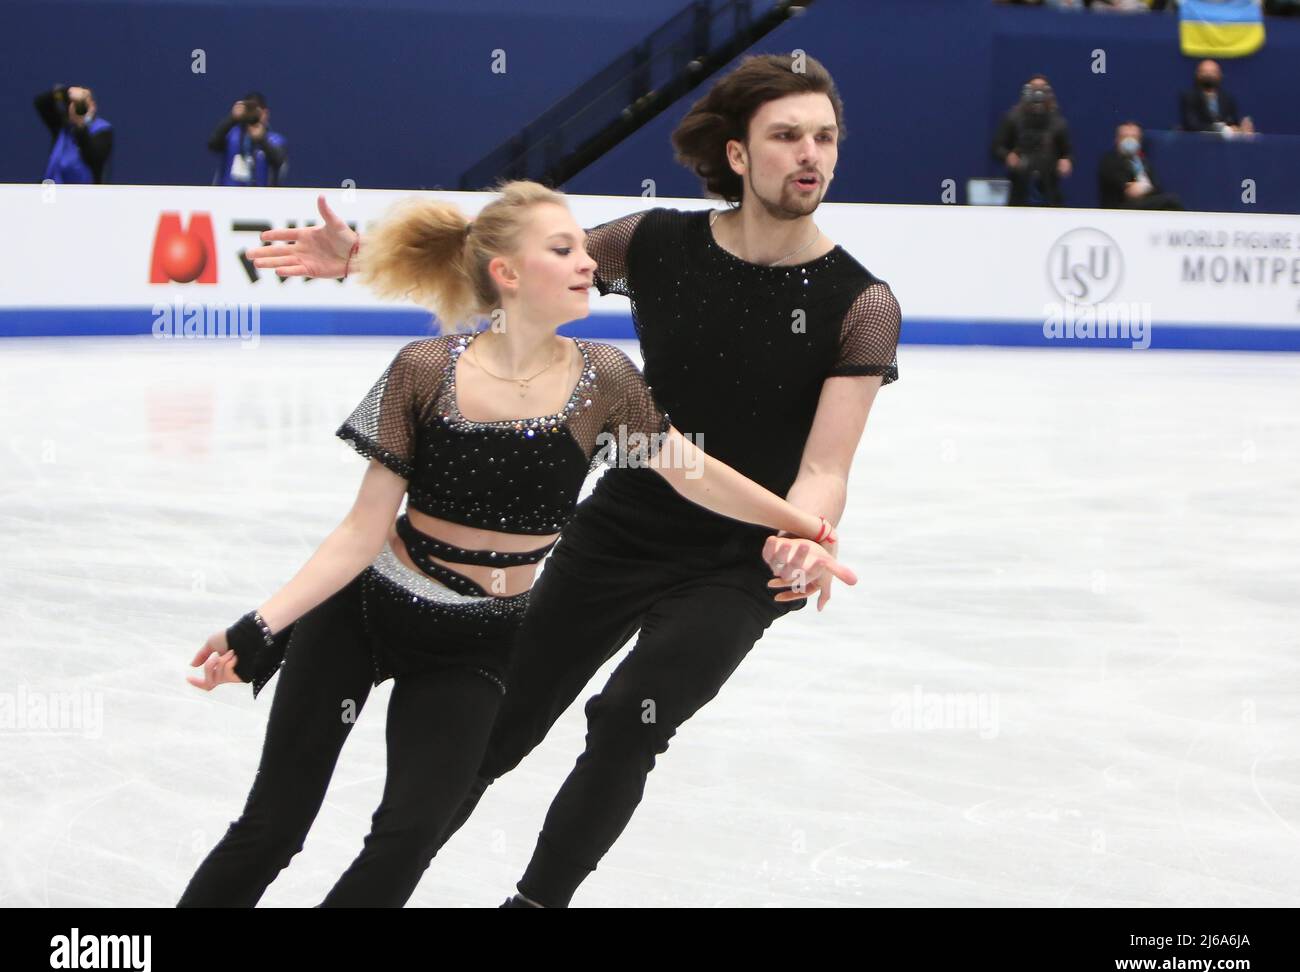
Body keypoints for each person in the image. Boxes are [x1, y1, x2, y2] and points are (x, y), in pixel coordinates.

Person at [250, 53, 900, 908]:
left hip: (741, 560)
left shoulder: (861, 302)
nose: (810, 153)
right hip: (625, 523)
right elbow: (515, 266)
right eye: (786, 136)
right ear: (738, 155)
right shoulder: (658, 243)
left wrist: (801, 534)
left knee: (633, 716)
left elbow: (824, 466)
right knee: (499, 726)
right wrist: (363, 256)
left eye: (824, 136)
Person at [991, 75, 1073, 207]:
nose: (1038, 94)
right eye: (1034, 89)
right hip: (1020, 185)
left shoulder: (1058, 123)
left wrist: (1066, 161)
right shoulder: (1013, 119)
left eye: (1042, 89)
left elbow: (1067, 152)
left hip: (1049, 187)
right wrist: (1007, 156)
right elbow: (997, 147)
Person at [34, 84, 113, 184]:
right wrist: (65, 92)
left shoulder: (103, 130)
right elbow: (40, 103)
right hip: (53, 192)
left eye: (84, 103)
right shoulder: (62, 126)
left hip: (85, 195)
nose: (79, 107)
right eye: (75, 104)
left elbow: (95, 158)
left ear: (93, 106)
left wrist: (81, 127)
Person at [208, 91, 287, 186]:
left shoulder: (275, 140)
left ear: (265, 113)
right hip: (229, 195)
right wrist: (232, 119)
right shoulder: (231, 134)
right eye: (249, 111)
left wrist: (262, 140)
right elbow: (213, 144)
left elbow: (280, 162)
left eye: (257, 111)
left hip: (262, 197)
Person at [1098, 121, 1183, 210]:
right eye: (1125, 137)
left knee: (1170, 201)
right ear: (1117, 139)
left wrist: (1144, 187)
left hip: (1145, 208)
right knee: (1170, 201)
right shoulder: (1110, 161)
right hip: (1121, 209)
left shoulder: (1142, 161)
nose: (1129, 140)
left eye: (1134, 137)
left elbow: (1157, 187)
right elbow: (1131, 191)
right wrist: (1145, 187)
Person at [1179, 60, 1254, 136]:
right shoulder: (1189, 97)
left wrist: (1241, 130)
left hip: (1226, 145)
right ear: (1197, 74)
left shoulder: (1227, 98)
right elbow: (1192, 126)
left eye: (1213, 72)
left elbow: (1233, 124)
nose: (1209, 75)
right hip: (1199, 143)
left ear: (1220, 75)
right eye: (1204, 72)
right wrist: (1224, 130)